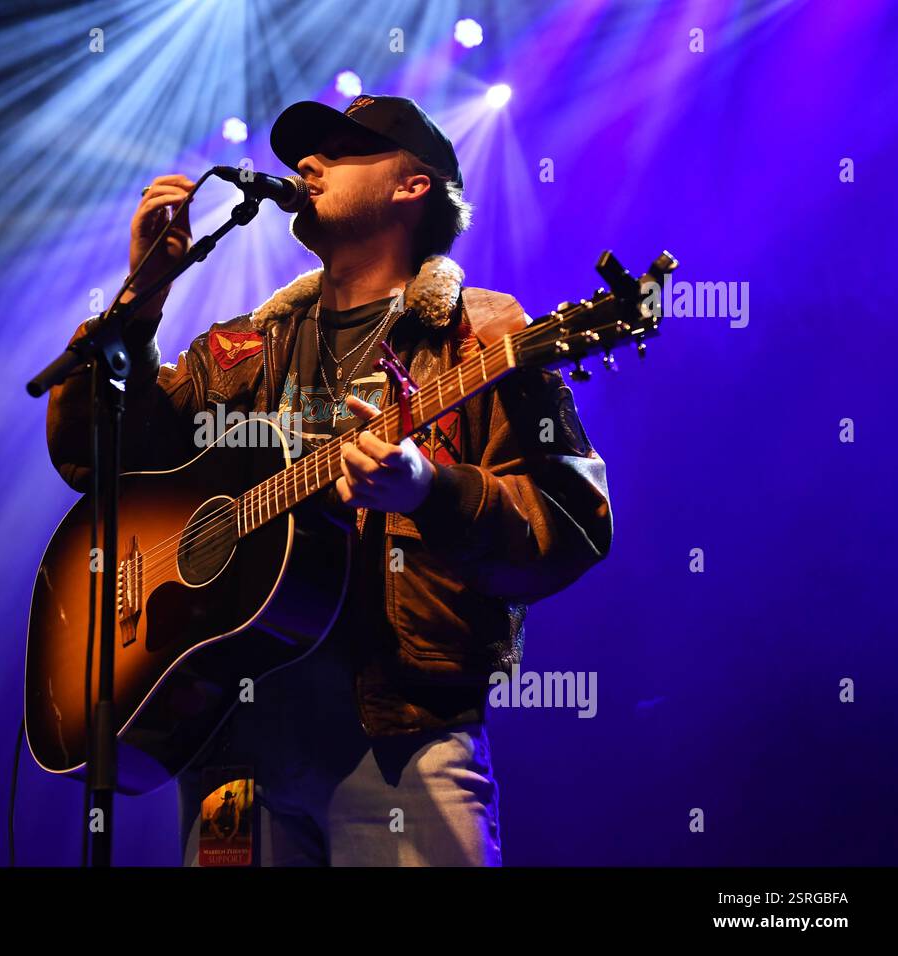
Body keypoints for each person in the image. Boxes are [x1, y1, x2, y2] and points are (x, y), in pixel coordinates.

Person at [46, 95, 612, 866]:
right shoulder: (239, 349)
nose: (305, 165)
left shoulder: (481, 334)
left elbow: (569, 521)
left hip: (398, 736)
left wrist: (431, 491)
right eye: (305, 153)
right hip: (230, 743)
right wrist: (141, 297)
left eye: (341, 150)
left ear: (412, 186)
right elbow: (96, 460)